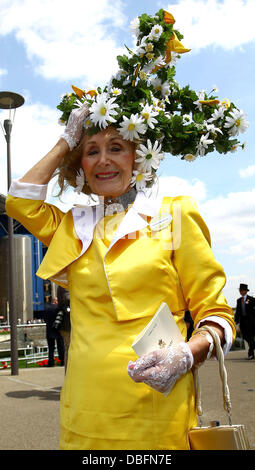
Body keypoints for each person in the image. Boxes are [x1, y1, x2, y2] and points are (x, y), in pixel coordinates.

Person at [5, 9, 245, 450]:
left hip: (157, 410)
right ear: (82, 166)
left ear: (140, 160)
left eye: (117, 147)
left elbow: (218, 316)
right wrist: (64, 141)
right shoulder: (72, 225)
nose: (103, 160)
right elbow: (18, 201)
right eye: (91, 151)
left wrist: (187, 354)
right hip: (83, 413)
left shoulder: (175, 213)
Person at [43, 297, 65, 367]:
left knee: (51, 348)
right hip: (58, 330)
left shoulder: (47, 308)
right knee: (61, 346)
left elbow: (45, 319)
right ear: (56, 301)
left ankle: (51, 362)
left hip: (49, 330)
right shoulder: (59, 308)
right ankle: (62, 361)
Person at [235, 283, 255, 359]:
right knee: (246, 337)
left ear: (246, 291)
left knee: (251, 337)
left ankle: (251, 354)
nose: (241, 292)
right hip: (243, 322)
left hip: (251, 322)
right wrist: (236, 320)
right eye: (240, 290)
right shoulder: (239, 300)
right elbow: (237, 312)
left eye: (242, 290)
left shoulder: (252, 299)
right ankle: (253, 347)